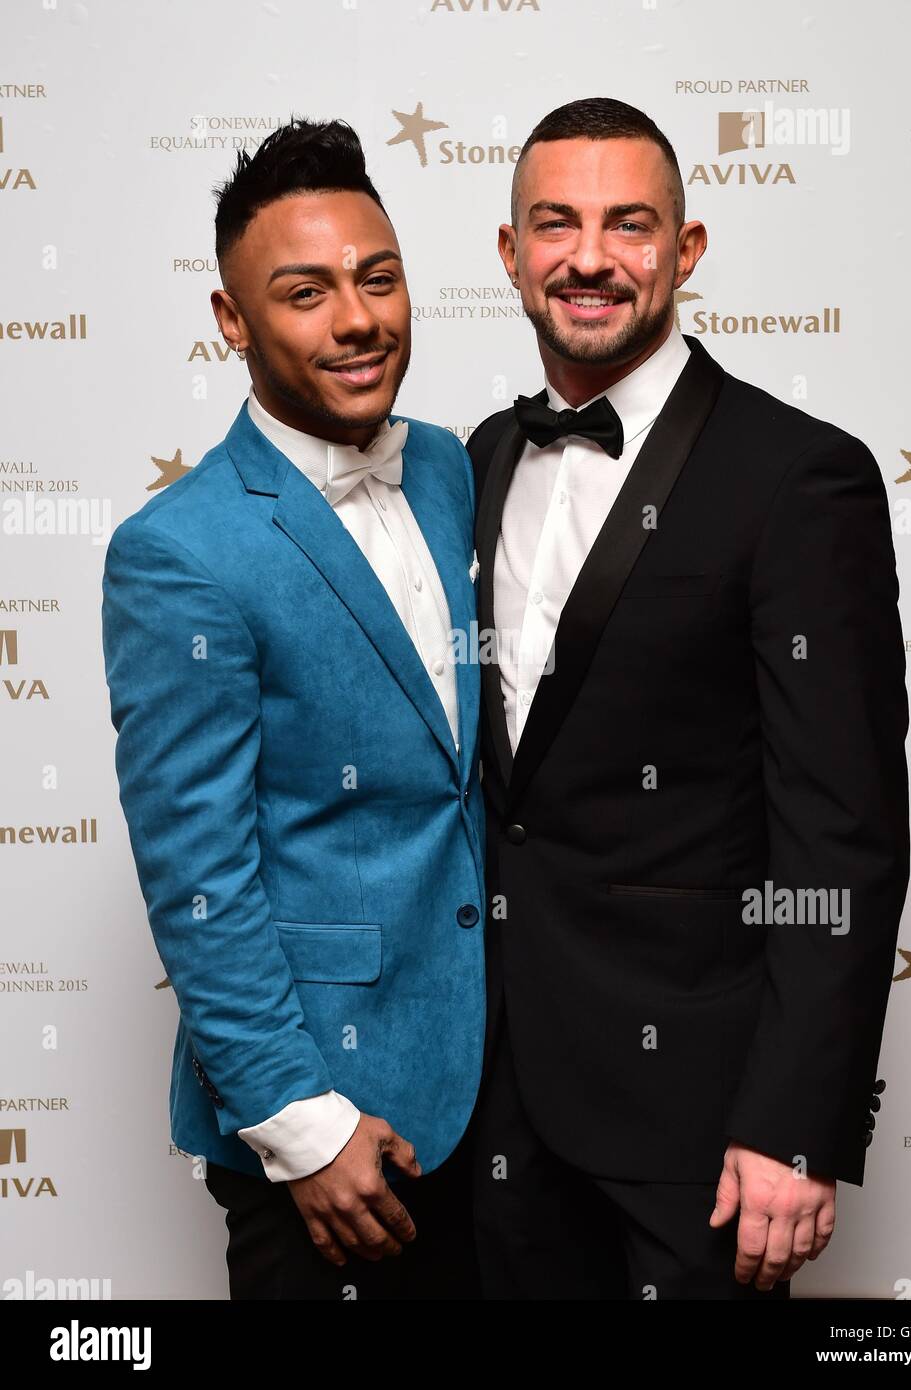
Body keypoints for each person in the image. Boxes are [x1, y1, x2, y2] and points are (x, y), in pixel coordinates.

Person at [465, 97, 910, 1300]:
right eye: (554, 224)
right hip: (488, 1108)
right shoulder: (473, 462)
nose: (590, 257)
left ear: (688, 248)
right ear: (509, 254)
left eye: (629, 223)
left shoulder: (795, 476)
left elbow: (843, 829)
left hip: (702, 1124)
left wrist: (795, 1121)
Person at [102, 118, 485, 1300]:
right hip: (332, 1126)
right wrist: (297, 1121)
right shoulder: (178, 554)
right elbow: (195, 872)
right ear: (231, 320)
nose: (357, 319)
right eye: (304, 292)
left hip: (492, 1093)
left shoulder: (449, 467)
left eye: (377, 278)